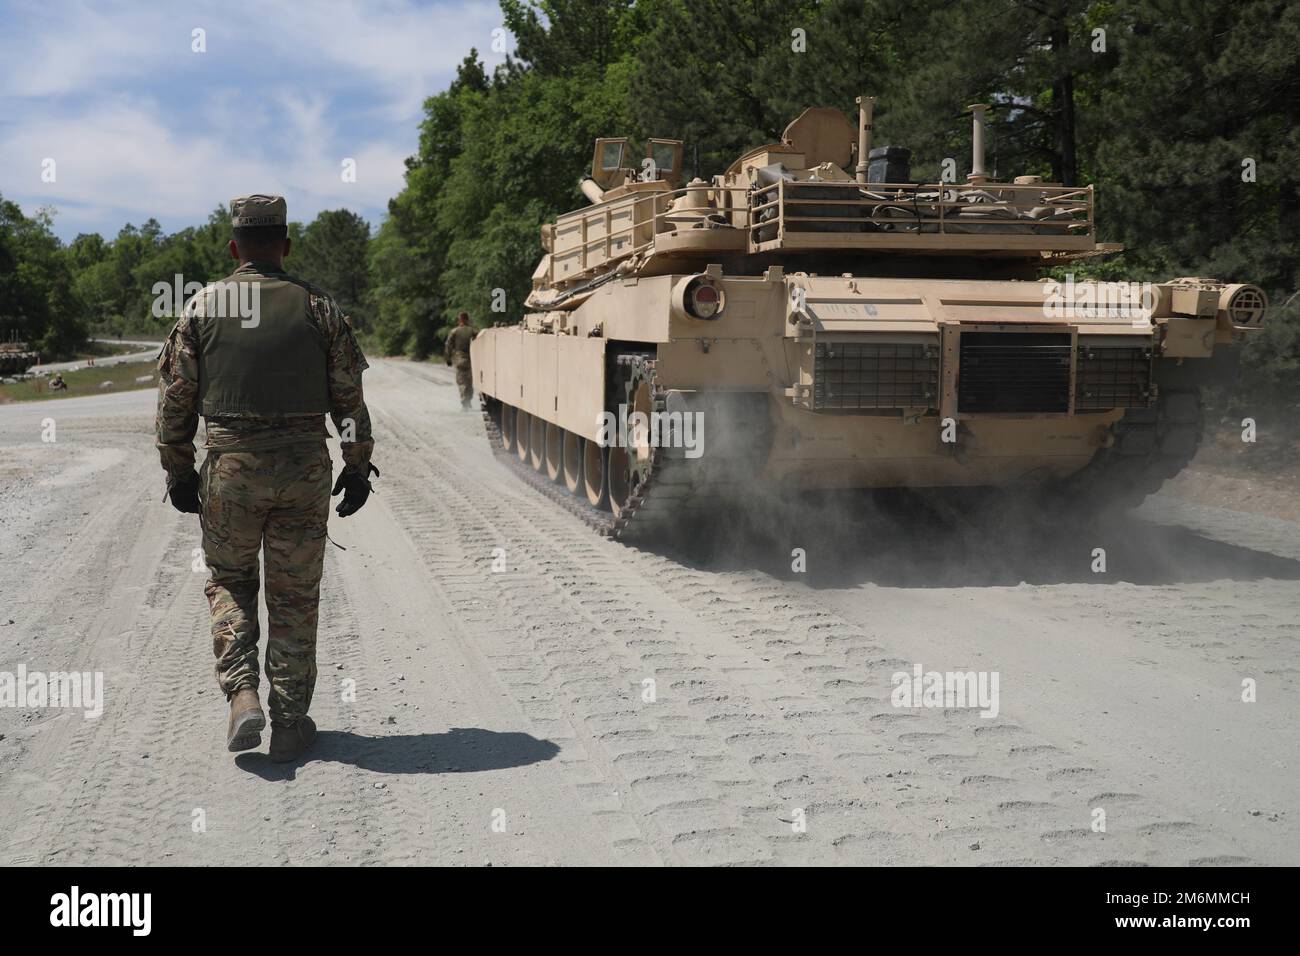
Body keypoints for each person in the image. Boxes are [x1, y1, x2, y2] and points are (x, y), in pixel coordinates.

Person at [155, 194, 378, 763]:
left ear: (234, 248)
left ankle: (243, 695)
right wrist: (356, 467)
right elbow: (348, 399)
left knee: (230, 583)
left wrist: (180, 471)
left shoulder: (201, 307)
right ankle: (289, 723)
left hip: (230, 469)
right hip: (303, 468)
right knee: (295, 596)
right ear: (286, 244)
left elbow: (174, 404)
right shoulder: (320, 308)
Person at [444, 311, 475, 409]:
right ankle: (468, 401)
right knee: (469, 382)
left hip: (459, 359)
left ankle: (464, 403)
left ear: (459, 320)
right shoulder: (472, 331)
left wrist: (448, 359)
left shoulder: (455, 331)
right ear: (467, 319)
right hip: (471, 360)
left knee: (462, 382)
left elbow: (448, 346)